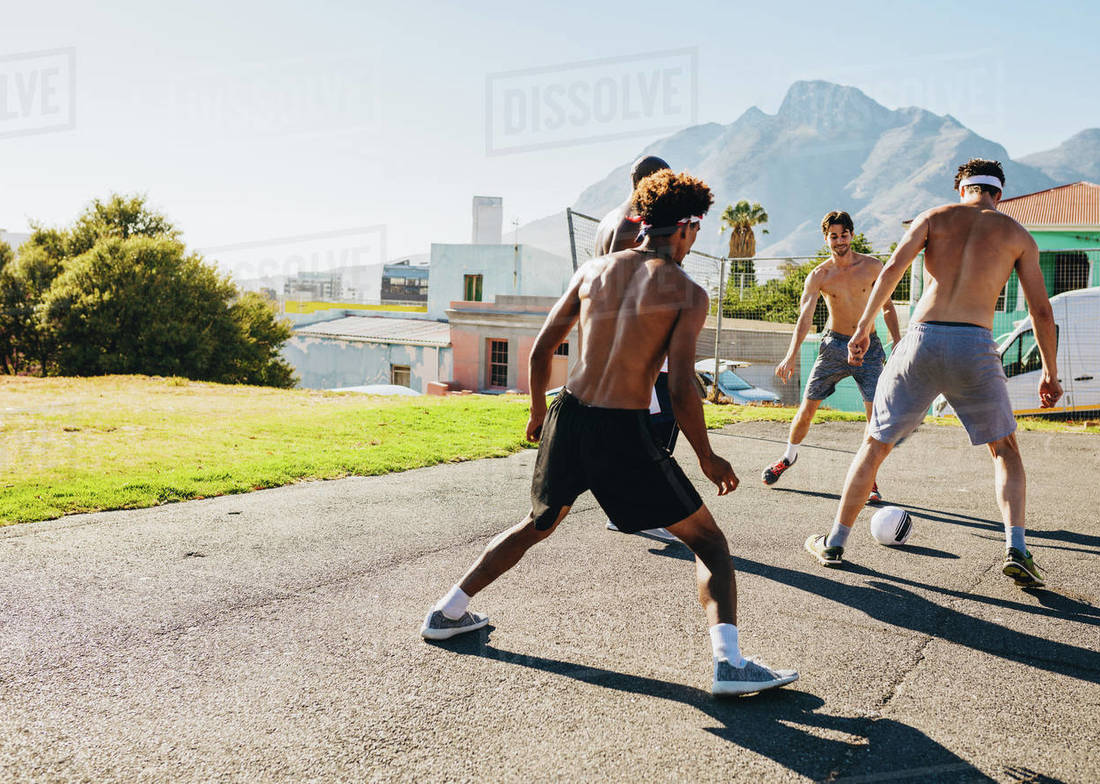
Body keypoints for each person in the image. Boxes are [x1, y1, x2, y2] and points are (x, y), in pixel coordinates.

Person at [421, 170, 798, 696]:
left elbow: (540, 350)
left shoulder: (593, 270)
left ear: (643, 221)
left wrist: (536, 412)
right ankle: (729, 663)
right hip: (621, 429)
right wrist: (708, 457)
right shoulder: (687, 292)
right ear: (687, 228)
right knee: (710, 544)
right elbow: (685, 387)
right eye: (696, 233)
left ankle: (447, 611)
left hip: (568, 414)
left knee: (538, 523)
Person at [804, 159, 1062, 587]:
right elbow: (1041, 310)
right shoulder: (1017, 234)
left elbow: (890, 272)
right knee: (1006, 452)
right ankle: (1016, 548)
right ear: (998, 193)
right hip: (974, 345)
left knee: (875, 444)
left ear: (963, 190)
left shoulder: (935, 217)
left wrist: (863, 327)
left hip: (921, 342)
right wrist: (1049, 373)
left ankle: (834, 542)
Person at [762, 211, 901, 504]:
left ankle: (870, 479)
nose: (839, 241)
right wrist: (790, 355)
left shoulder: (873, 266)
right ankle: (787, 457)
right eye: (833, 236)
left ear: (851, 234)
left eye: (844, 234)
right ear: (826, 239)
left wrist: (898, 342)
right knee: (807, 408)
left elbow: (887, 307)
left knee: (873, 415)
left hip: (869, 347)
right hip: (833, 346)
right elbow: (805, 317)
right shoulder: (820, 275)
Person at [595, 155, 681, 541]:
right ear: (652, 180)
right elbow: (620, 273)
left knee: (644, 424)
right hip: (634, 339)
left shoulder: (609, 217)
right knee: (656, 425)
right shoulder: (636, 216)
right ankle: (638, 511)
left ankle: (629, 509)